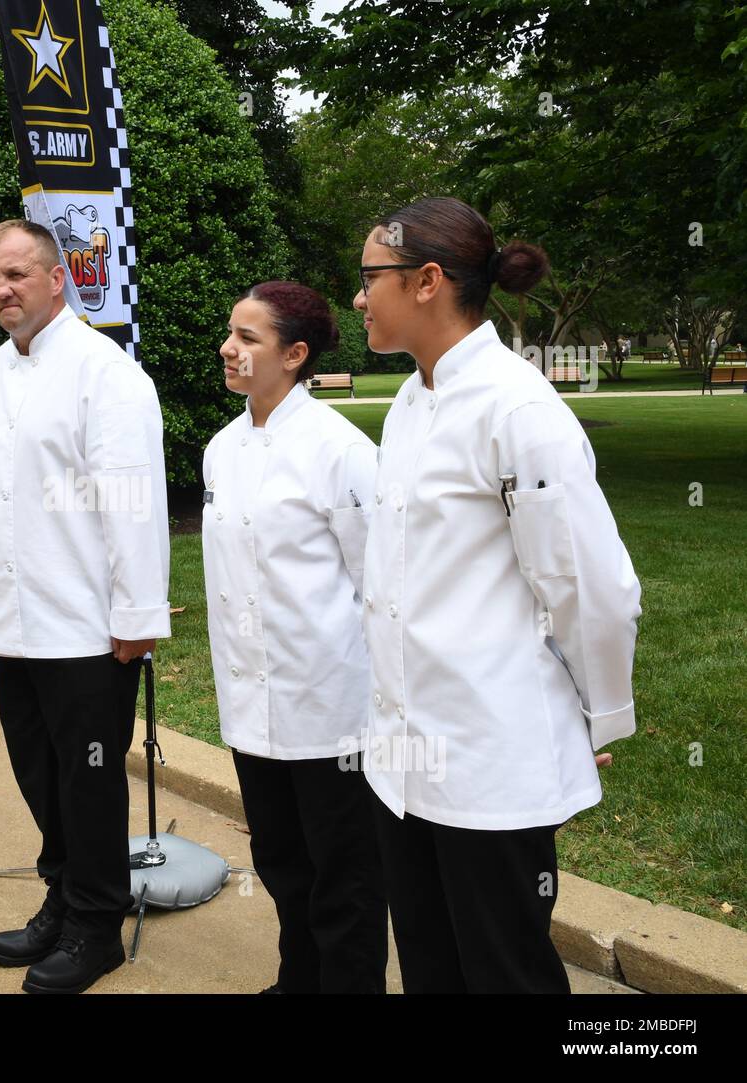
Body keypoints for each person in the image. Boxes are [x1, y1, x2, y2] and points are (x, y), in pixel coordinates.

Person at [352, 196, 642, 993]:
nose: (358, 295)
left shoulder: (518, 408)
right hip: (402, 761)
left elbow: (592, 587)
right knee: (431, 963)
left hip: (488, 760)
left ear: (427, 281)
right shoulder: (413, 398)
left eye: (369, 275)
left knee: (505, 970)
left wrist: (596, 712)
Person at [0, 219, 171, 994]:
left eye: (17, 274)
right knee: (37, 771)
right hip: (18, 624)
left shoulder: (104, 373)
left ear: (59, 279)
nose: (2, 290)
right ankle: (61, 896)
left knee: (88, 780)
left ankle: (96, 926)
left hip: (89, 627)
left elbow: (134, 504)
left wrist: (137, 615)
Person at [204, 281, 387, 994]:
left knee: (346, 874)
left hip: (332, 704)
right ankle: (298, 980)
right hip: (251, 701)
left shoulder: (341, 450)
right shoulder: (221, 449)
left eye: (249, 338)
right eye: (230, 332)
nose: (229, 347)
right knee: (281, 862)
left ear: (296, 353)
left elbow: (380, 582)